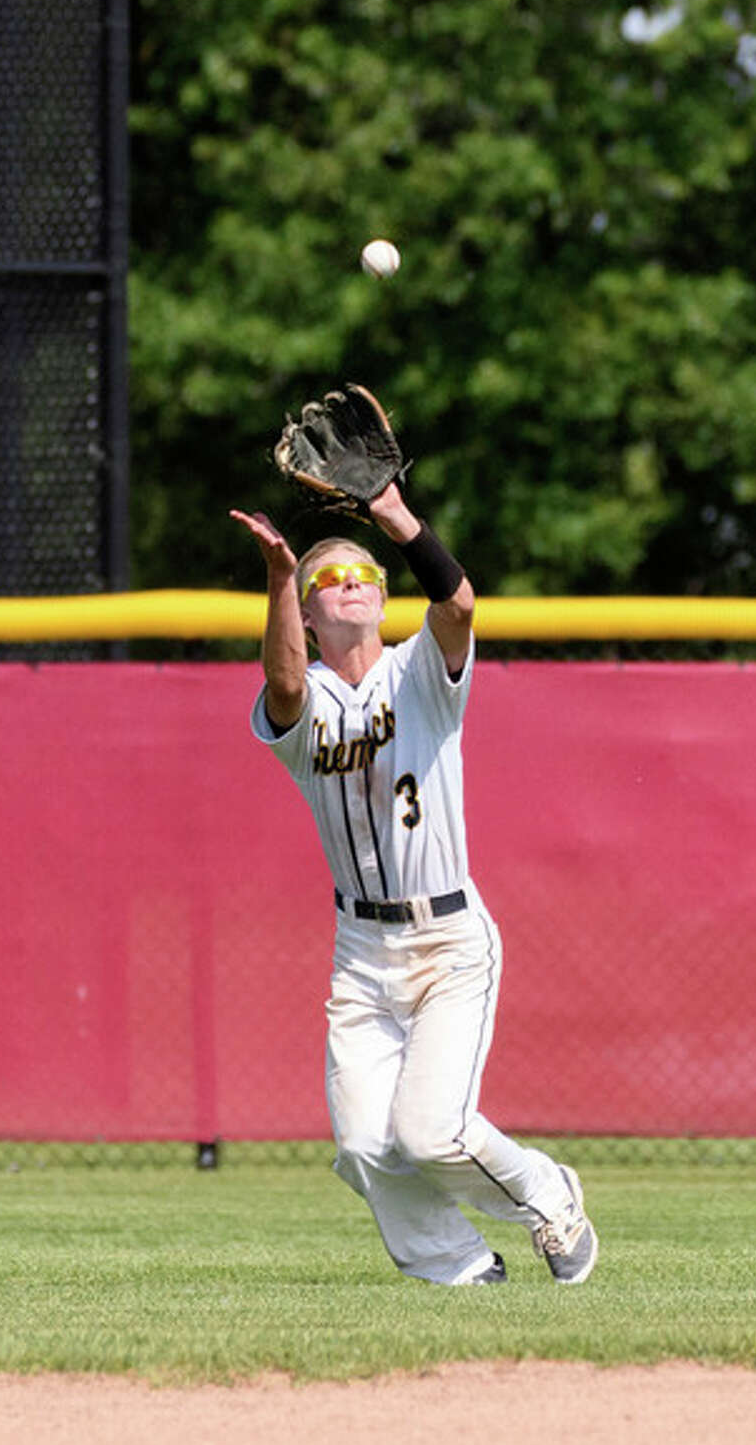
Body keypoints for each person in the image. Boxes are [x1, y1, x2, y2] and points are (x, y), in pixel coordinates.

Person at [230, 479, 598, 1286]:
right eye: (330, 580)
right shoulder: (307, 701)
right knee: (364, 1142)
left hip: (448, 941)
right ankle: (459, 1266)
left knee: (431, 1132)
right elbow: (286, 684)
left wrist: (392, 516)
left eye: (365, 574)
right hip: (362, 952)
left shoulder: (420, 672)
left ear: (386, 596)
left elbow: (460, 604)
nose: (350, 583)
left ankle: (547, 1192)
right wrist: (282, 576)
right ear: (311, 614)